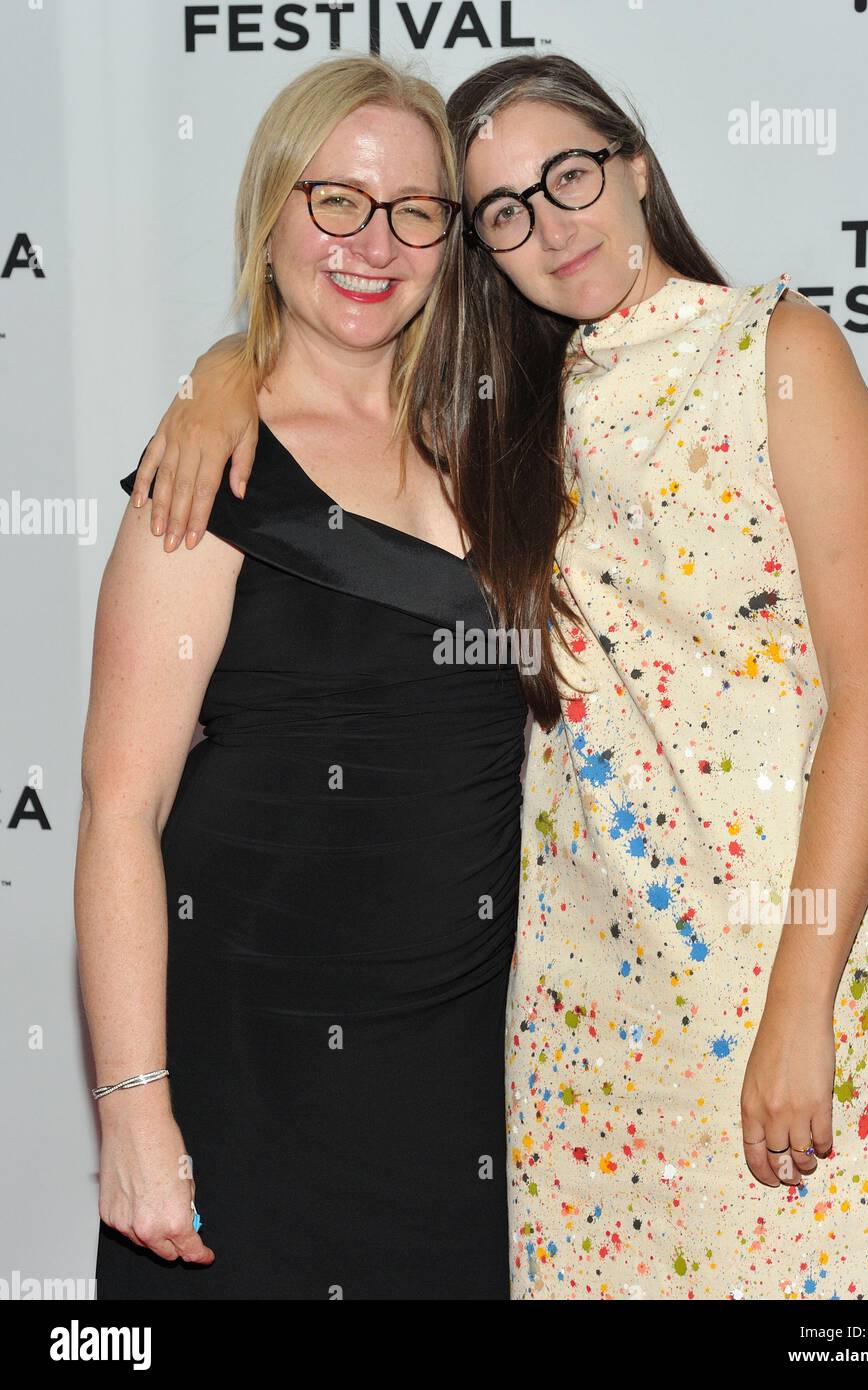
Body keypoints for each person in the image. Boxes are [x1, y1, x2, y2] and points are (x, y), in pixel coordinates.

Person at [127, 56, 868, 1300]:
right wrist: (217, 374)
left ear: (633, 167)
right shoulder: (502, 415)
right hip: (571, 1013)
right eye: (504, 211)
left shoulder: (777, 350)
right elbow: (326, 371)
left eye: (567, 176)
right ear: (482, 248)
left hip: (769, 971)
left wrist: (801, 1004)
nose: (550, 224)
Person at [76, 55, 525, 1301]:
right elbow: (120, 806)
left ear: (452, 238)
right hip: (250, 1073)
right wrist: (131, 1114)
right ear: (271, 213)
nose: (372, 241)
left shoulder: (504, 447)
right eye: (335, 199)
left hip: (467, 1085)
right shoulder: (207, 466)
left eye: (412, 210)